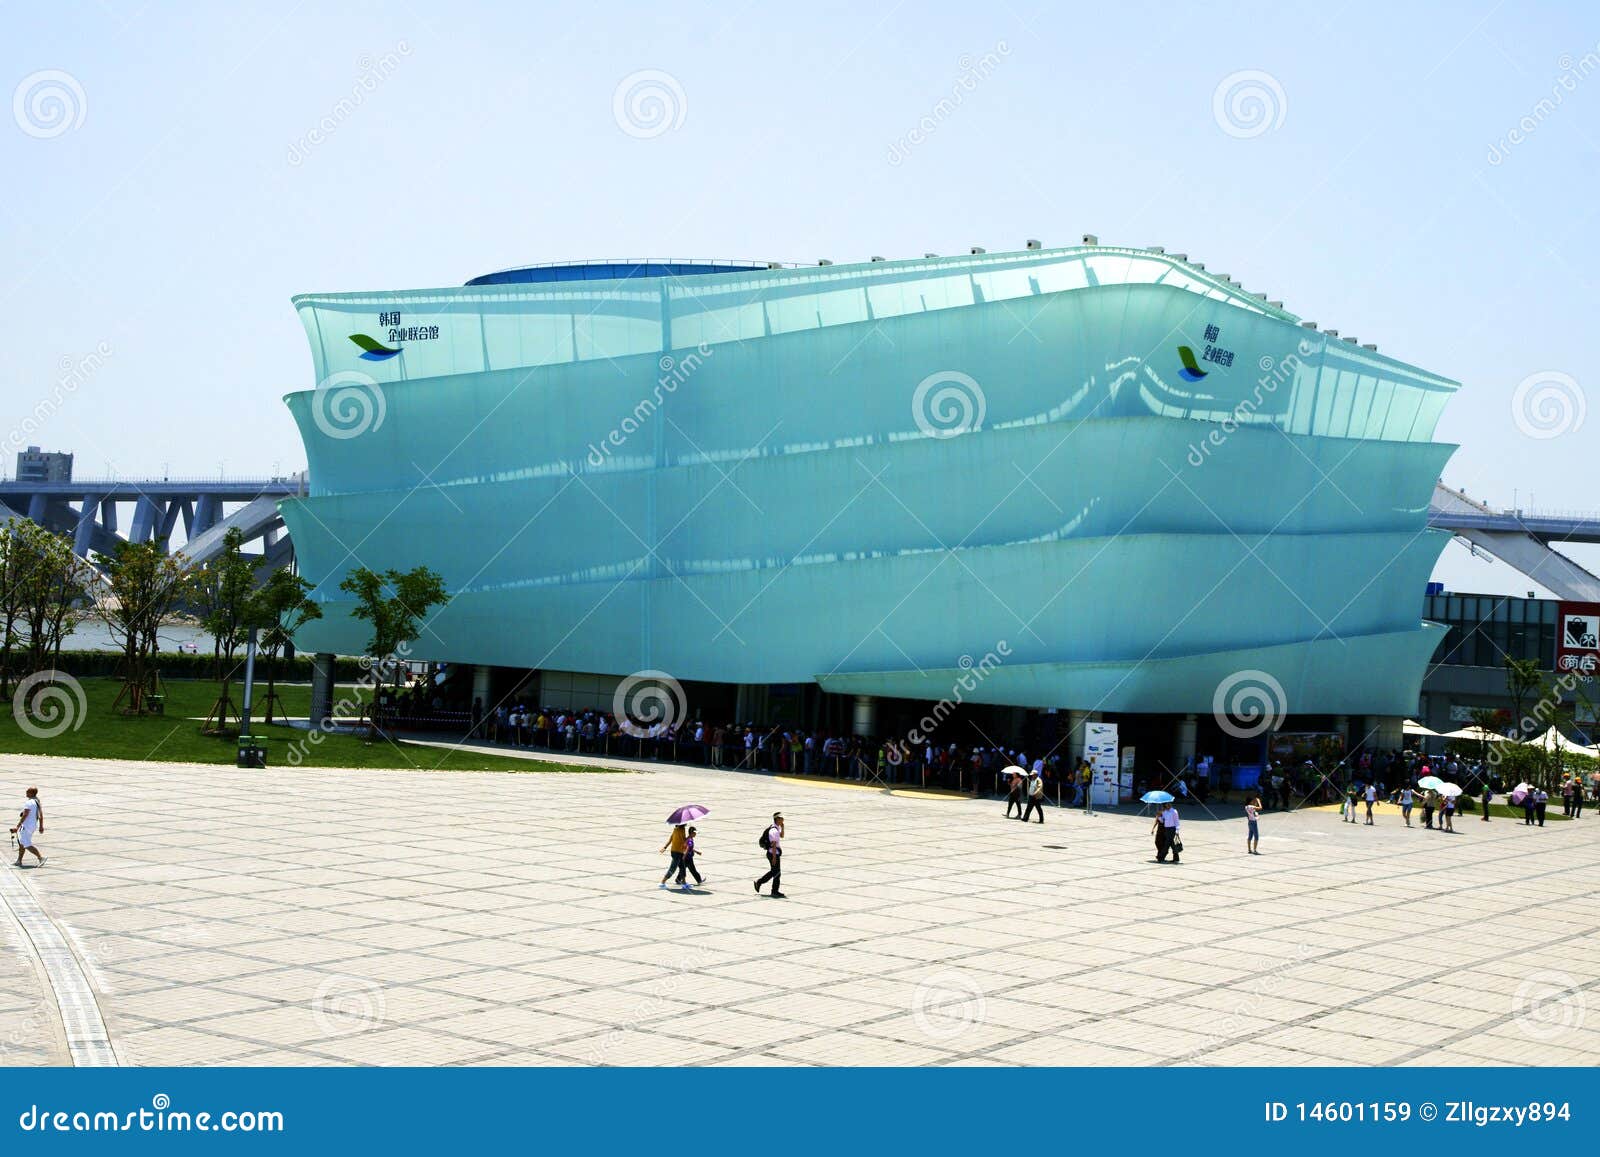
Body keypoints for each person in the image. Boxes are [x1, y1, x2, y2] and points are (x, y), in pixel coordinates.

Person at [754, 812, 785, 898]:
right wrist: (774, 857)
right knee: (777, 872)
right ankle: (774, 891)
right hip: (773, 854)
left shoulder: (777, 828)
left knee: (774, 872)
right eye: (781, 818)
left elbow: (782, 836)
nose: (783, 820)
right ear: (777, 819)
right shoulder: (773, 831)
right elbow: (774, 844)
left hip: (773, 853)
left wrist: (782, 827)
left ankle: (760, 883)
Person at [11, 788, 43, 868]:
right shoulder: (37, 802)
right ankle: (19, 861)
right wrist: (41, 826)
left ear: (32, 793)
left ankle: (41, 858)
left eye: (28, 791)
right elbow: (40, 815)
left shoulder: (29, 802)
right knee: (22, 843)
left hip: (26, 826)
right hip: (33, 825)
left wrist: (17, 827)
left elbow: (25, 815)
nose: (26, 792)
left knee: (26, 844)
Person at [659, 823, 688, 889]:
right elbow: (684, 841)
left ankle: (684, 883)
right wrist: (689, 836)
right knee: (673, 868)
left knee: (682, 867)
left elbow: (670, 839)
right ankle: (662, 882)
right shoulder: (681, 830)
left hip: (676, 851)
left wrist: (665, 847)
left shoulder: (675, 829)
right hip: (677, 852)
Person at [678, 826, 704, 890]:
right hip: (688, 857)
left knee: (683, 868)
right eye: (695, 833)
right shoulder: (690, 840)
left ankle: (678, 879)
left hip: (686, 857)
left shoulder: (688, 838)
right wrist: (684, 857)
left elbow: (689, 848)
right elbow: (688, 848)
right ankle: (699, 880)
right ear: (692, 833)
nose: (695, 834)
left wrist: (697, 852)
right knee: (693, 870)